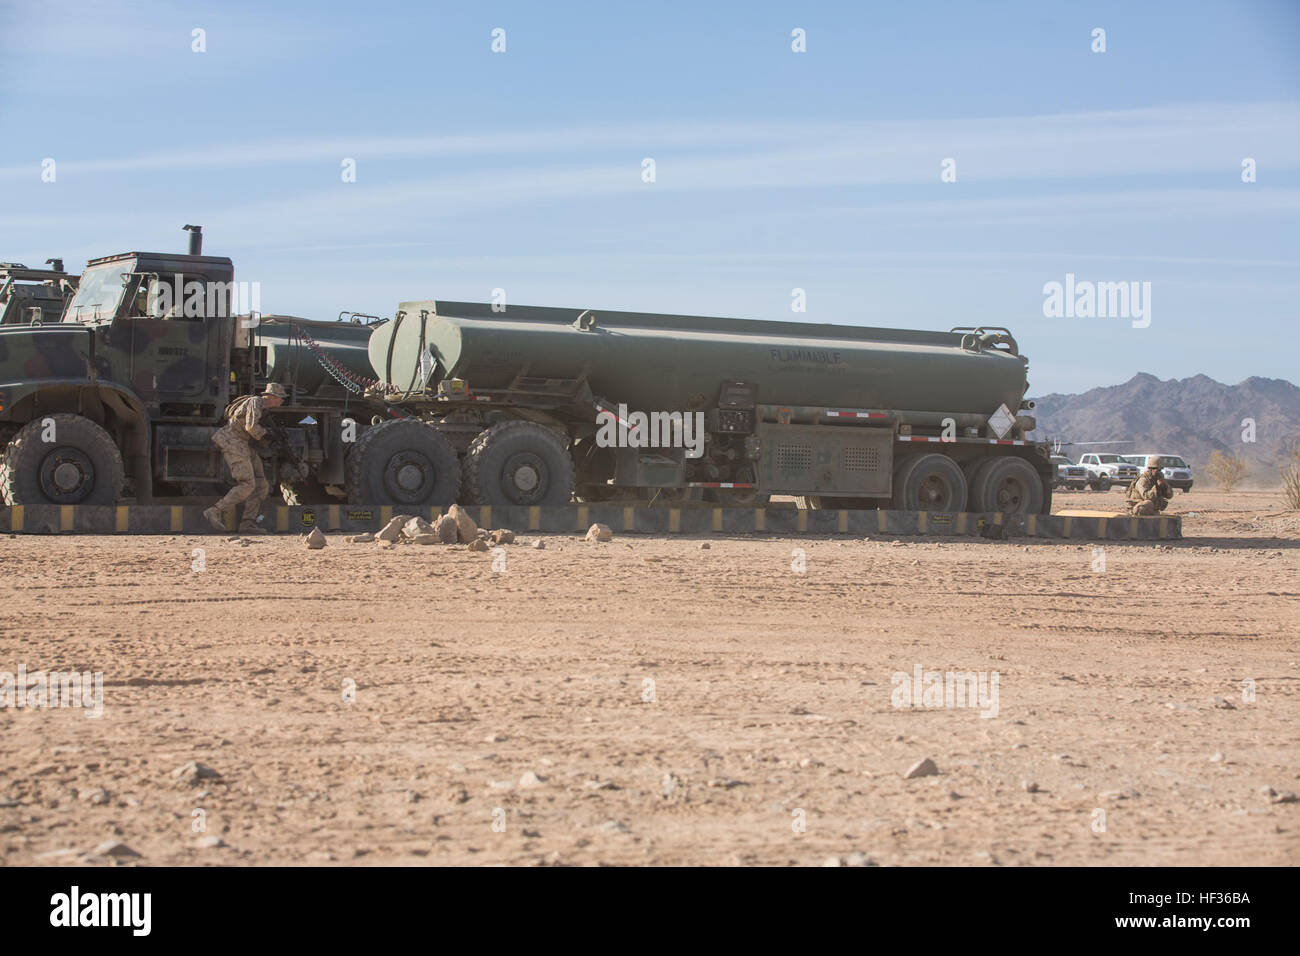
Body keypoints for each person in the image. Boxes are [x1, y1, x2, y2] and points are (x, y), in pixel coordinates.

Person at [202, 384, 286, 533]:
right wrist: (267, 434)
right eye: (280, 398)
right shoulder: (255, 402)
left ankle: (248, 523)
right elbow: (251, 427)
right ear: (272, 397)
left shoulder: (262, 408)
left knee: (261, 486)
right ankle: (215, 511)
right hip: (233, 442)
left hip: (244, 444)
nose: (281, 402)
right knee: (247, 484)